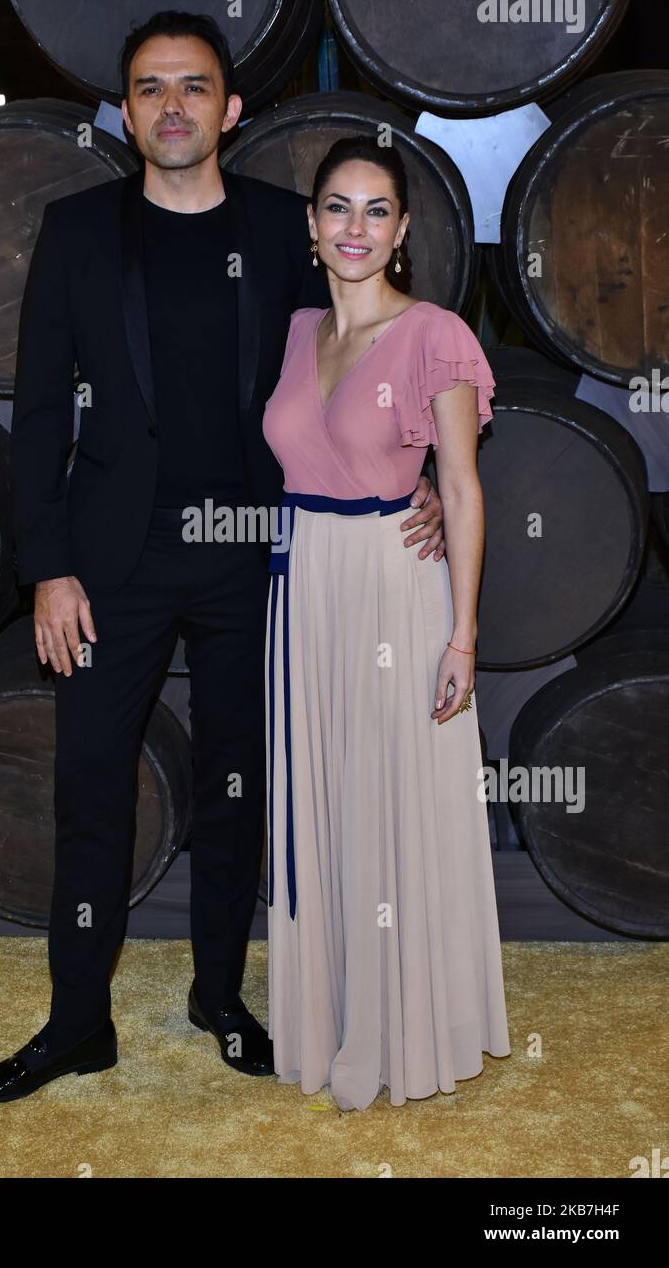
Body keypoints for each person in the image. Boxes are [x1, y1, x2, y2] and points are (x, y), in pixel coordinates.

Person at [0, 12, 446, 1105]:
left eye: (192, 87)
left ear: (229, 109)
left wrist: (418, 465)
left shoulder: (287, 229)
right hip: (107, 565)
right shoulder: (77, 229)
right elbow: (38, 415)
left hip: (255, 559)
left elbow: (373, 349)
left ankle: (218, 996)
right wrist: (48, 567)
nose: (171, 106)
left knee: (237, 792)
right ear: (124, 112)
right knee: (91, 791)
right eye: (148, 88)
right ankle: (77, 1023)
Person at [263, 136, 511, 1111]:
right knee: (321, 794)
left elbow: (459, 483)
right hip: (303, 582)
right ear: (312, 225)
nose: (354, 227)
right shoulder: (291, 333)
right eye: (337, 207)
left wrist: (462, 636)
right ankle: (325, 1017)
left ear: (401, 230)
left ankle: (404, 1029)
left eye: (375, 210)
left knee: (389, 796)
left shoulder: (435, 334)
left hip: (390, 585)